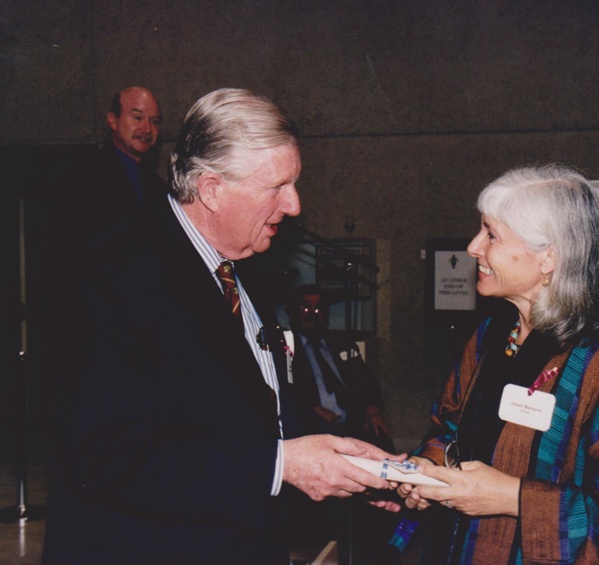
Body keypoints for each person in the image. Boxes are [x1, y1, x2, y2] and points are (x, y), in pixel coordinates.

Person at [41, 88, 400, 565]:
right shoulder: (110, 276)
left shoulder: (236, 263)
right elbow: (105, 458)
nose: (294, 205)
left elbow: (248, 407)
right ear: (211, 189)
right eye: (277, 186)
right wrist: (281, 466)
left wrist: (346, 463)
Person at [394, 165, 599, 564]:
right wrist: (429, 466)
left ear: (548, 258)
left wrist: (514, 499)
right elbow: (450, 427)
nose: (473, 247)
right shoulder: (491, 336)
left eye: (491, 234)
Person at [285, 283, 398, 564]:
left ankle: (380, 543)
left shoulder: (339, 342)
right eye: (306, 306)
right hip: (313, 429)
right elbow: (281, 391)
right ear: (294, 312)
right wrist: (311, 410)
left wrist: (372, 408)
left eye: (319, 307)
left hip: (351, 425)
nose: (313, 312)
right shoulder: (285, 346)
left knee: (383, 446)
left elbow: (366, 380)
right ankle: (336, 540)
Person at [50, 86, 168, 248]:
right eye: (137, 118)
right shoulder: (85, 175)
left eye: (154, 121)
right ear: (113, 120)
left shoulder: (156, 184)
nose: (147, 129)